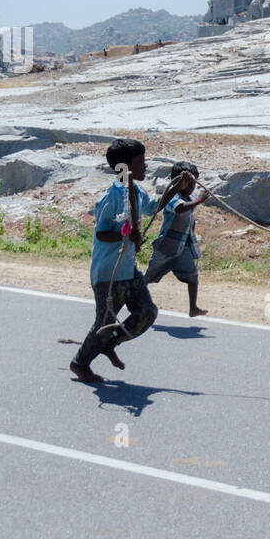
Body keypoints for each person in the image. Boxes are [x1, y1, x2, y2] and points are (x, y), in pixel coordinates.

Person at [70, 138, 178, 384]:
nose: (145, 166)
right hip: (109, 273)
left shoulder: (136, 192)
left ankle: (111, 343)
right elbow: (101, 233)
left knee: (147, 312)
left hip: (128, 270)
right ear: (124, 168)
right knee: (104, 323)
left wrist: (177, 186)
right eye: (140, 162)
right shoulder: (112, 197)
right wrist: (125, 234)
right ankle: (79, 363)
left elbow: (154, 206)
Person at [145, 160, 209, 317]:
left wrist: (197, 200)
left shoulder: (189, 197)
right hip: (167, 247)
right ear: (180, 182)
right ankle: (132, 297)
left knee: (193, 276)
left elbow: (190, 205)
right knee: (147, 277)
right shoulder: (172, 197)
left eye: (194, 183)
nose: (192, 187)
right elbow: (180, 209)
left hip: (182, 248)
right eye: (189, 183)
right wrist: (199, 200)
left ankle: (193, 307)